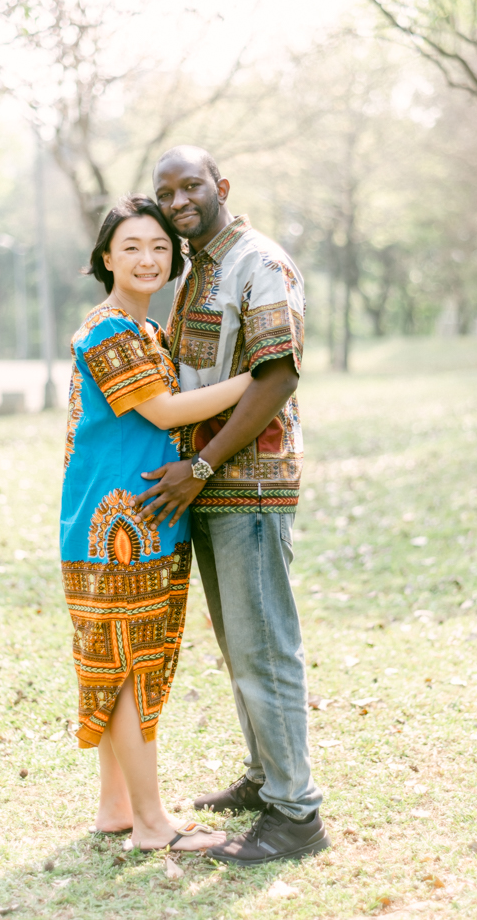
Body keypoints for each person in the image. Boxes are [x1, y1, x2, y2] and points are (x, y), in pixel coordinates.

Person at [135, 146, 330, 865]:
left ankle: (296, 815)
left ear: (220, 187)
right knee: (240, 643)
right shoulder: (196, 269)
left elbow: (277, 377)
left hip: (248, 483)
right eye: (166, 192)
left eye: (191, 186)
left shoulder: (259, 261)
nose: (178, 201)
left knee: (265, 645)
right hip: (208, 486)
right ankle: (265, 777)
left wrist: (201, 465)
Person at [60, 193, 254, 852]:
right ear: (106, 258)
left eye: (160, 247)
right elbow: (167, 412)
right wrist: (259, 380)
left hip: (144, 520)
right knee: (126, 667)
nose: (148, 258)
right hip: (112, 529)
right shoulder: (108, 331)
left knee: (128, 664)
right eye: (132, 247)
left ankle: (117, 807)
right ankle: (150, 823)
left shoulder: (147, 333)